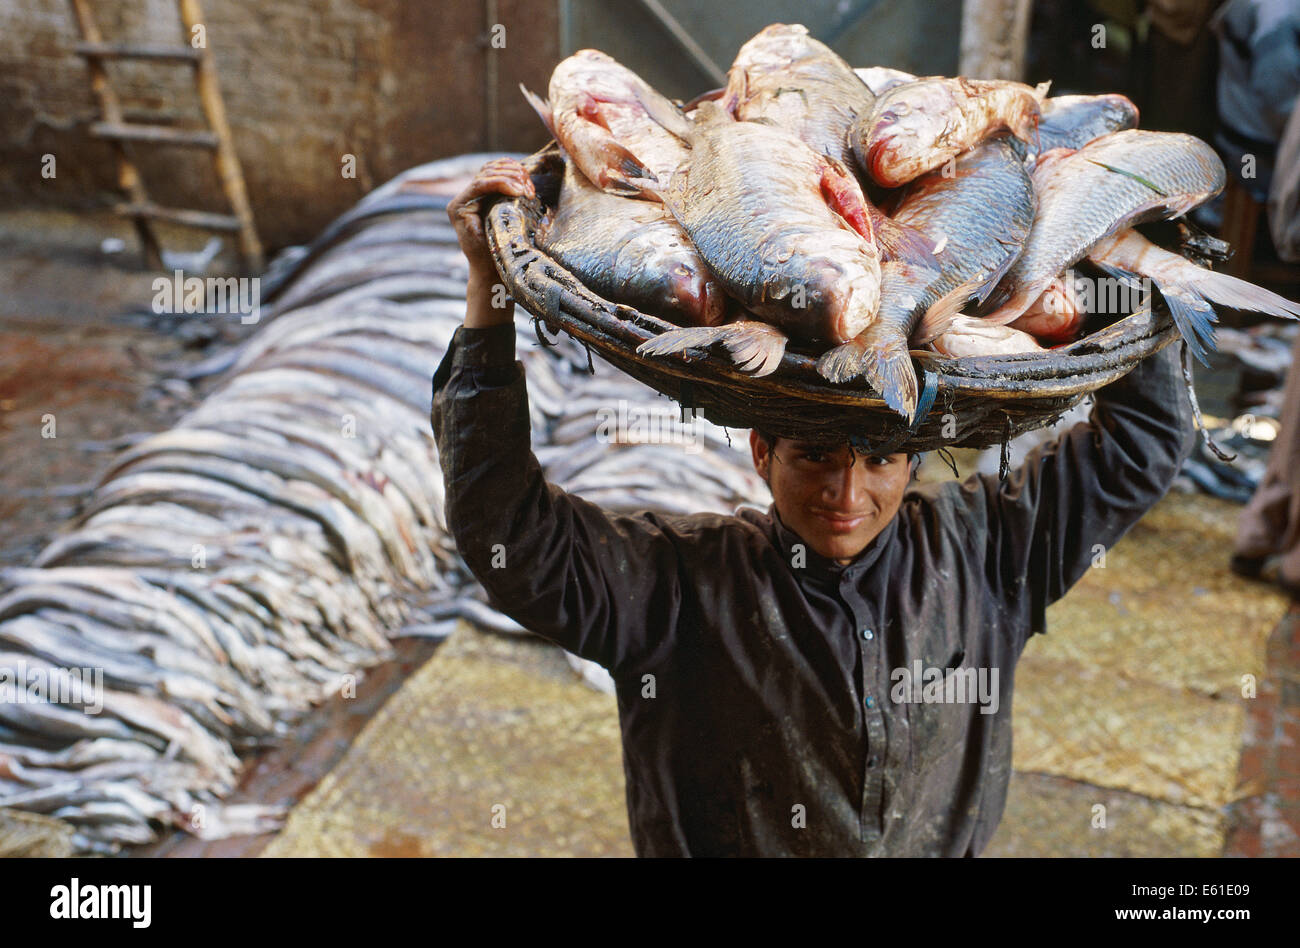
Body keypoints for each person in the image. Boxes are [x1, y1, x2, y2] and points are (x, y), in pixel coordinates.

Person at [431, 157, 1197, 857]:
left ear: (916, 459)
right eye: (814, 457)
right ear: (762, 451)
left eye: (881, 460)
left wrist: (1121, 255)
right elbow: (506, 528)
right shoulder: (675, 585)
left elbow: (1143, 444)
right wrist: (486, 296)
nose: (846, 494)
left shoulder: (988, 553)